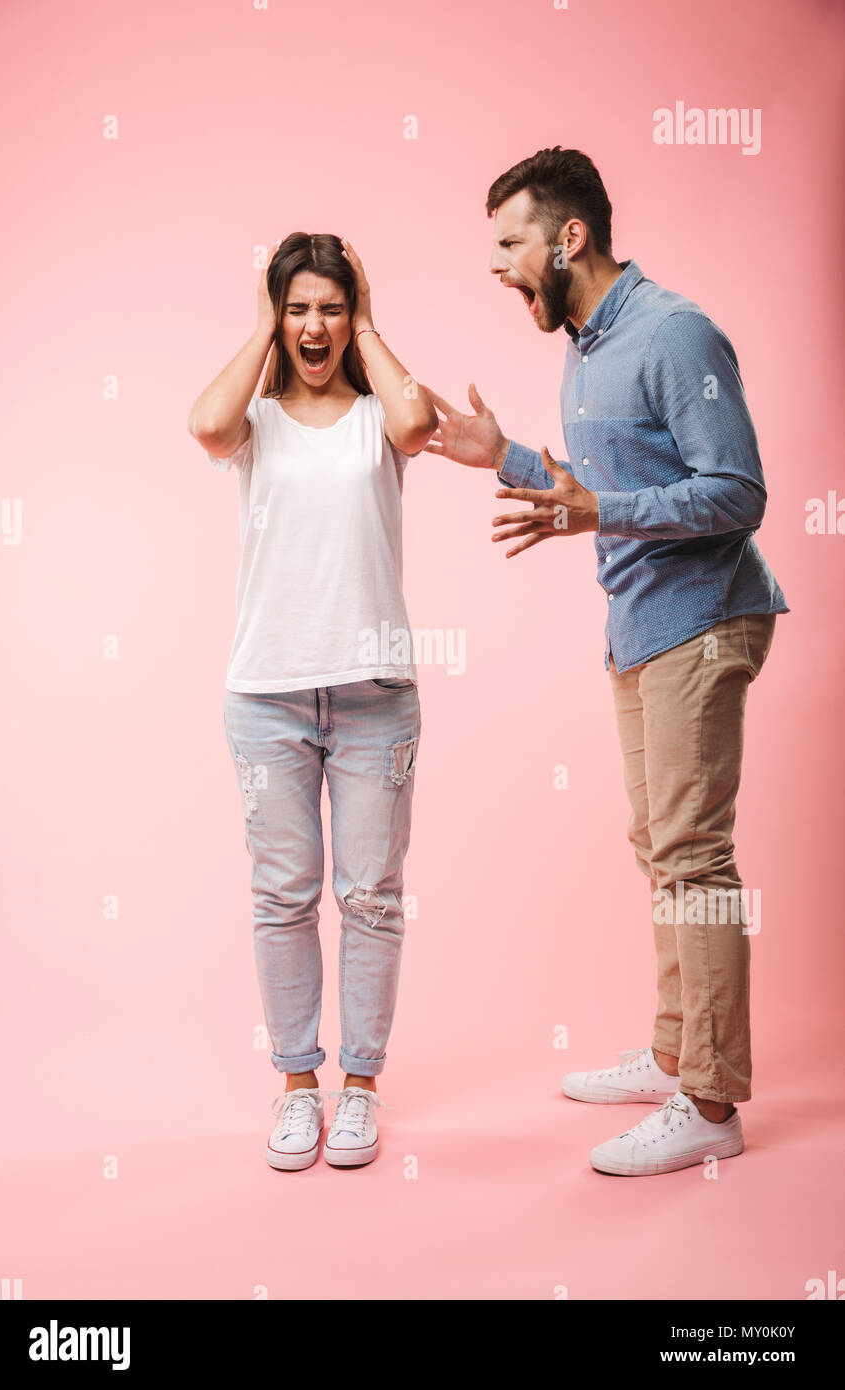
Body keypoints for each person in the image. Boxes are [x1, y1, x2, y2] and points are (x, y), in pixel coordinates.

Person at [422, 146, 788, 1176]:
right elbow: (599, 487)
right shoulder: (585, 342)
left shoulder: (672, 332)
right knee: (657, 844)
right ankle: (675, 1051)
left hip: (702, 616)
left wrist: (601, 509)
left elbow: (736, 491)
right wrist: (502, 455)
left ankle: (709, 1102)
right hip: (638, 622)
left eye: (509, 242)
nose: (495, 265)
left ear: (566, 237)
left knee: (692, 857)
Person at [187, 233, 436, 1170]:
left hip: (377, 700)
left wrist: (371, 319)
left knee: (370, 899)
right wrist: (258, 322)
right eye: (299, 308)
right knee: (282, 898)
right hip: (267, 698)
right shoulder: (257, 425)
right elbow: (206, 426)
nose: (314, 325)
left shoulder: (381, 423)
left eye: (330, 307)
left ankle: (361, 1088)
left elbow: (419, 422)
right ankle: (298, 1087)